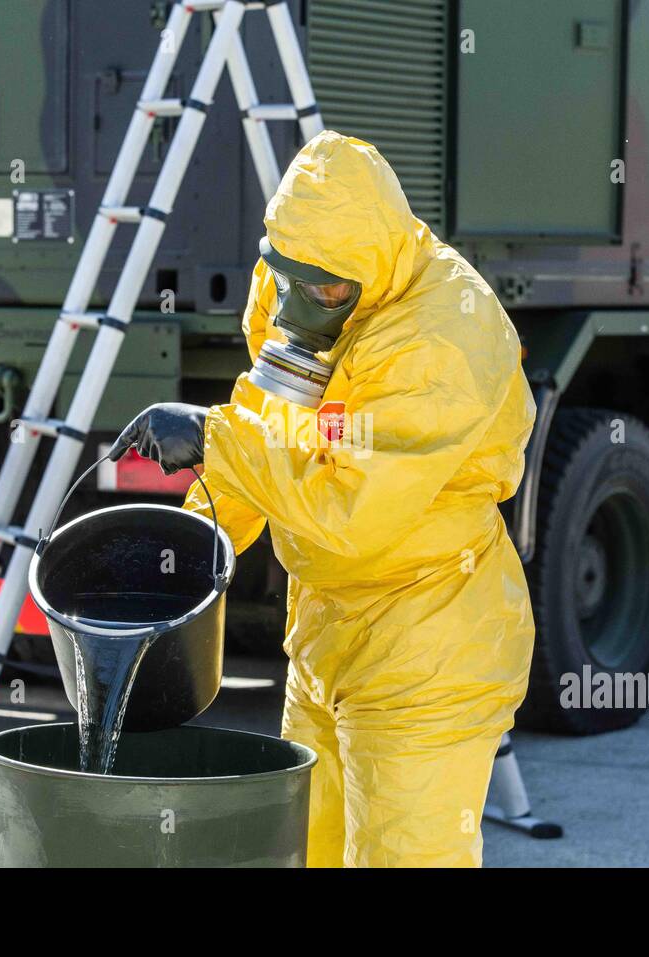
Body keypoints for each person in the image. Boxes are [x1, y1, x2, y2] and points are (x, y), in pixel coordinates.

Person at [107, 131, 536, 867]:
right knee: (301, 853)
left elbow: (353, 512)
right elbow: (268, 430)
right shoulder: (298, 277)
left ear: (371, 272)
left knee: (406, 858)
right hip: (324, 641)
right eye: (290, 279)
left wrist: (213, 440)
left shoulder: (446, 334)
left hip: (429, 643)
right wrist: (191, 547)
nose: (304, 305)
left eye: (328, 290)